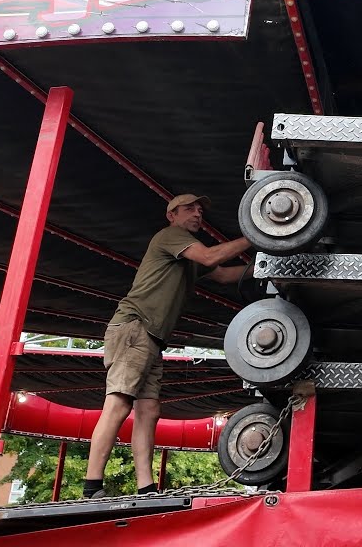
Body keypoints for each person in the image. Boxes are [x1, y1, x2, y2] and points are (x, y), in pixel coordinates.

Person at [83, 194, 251, 498]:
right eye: (190, 209)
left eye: (200, 210)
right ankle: (91, 485)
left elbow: (225, 275)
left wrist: (267, 266)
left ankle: (146, 487)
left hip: (151, 336)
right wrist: (255, 235)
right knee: (119, 403)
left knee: (148, 409)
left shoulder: (187, 255)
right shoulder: (172, 236)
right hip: (135, 326)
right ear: (171, 215)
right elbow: (212, 257)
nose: (198, 213)